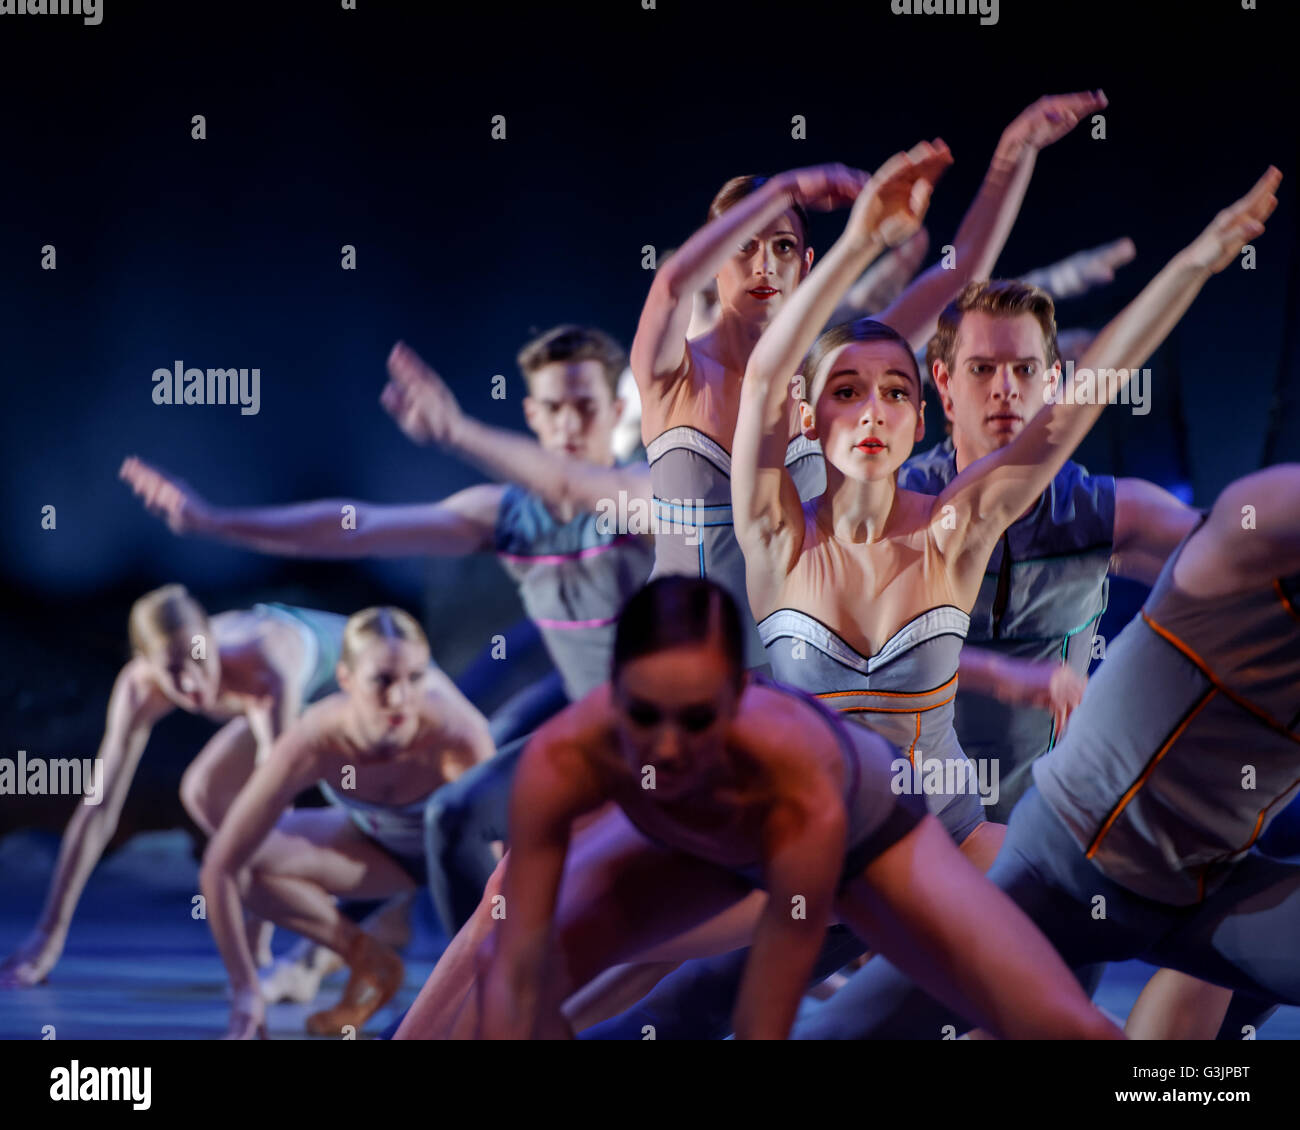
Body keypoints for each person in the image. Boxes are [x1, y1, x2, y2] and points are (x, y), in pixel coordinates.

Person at [397, 577, 1123, 1040]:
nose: (671, 745)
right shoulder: (572, 755)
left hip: (863, 836)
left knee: (1052, 1019)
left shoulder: (789, 768)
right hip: (711, 848)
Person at [122, 325, 653, 936]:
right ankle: (446, 974)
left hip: (665, 726)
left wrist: (456, 431)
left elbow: (573, 487)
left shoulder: (646, 491)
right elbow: (355, 526)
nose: (568, 426)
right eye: (553, 408)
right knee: (459, 799)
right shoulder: (508, 515)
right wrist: (216, 522)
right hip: (586, 711)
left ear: (616, 411)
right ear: (532, 414)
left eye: (584, 407)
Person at [0, 584, 345, 988]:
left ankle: (338, 936)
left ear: (210, 641)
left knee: (314, 809)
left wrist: (255, 951)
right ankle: (342, 924)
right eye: (173, 670)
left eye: (198, 659)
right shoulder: (139, 687)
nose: (192, 682)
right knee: (204, 791)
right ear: (145, 664)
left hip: (353, 683)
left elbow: (277, 807)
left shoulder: (264, 663)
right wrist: (47, 935)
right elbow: (98, 808)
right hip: (284, 702)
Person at [199, 606, 495, 1038]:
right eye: (383, 681)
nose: (400, 700)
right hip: (379, 849)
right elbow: (220, 865)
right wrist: (246, 992)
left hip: (459, 866)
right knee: (248, 865)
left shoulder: (455, 733)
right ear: (346, 679)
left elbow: (505, 867)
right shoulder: (315, 737)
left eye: (415, 679)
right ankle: (367, 959)